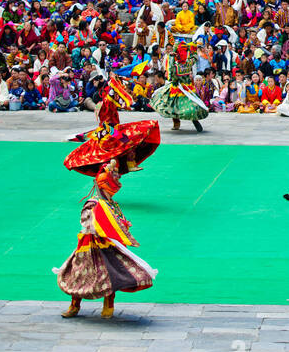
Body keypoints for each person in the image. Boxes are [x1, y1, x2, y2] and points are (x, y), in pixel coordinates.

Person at [54, 160, 157, 319]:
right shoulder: (94, 203)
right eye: (111, 189)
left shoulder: (112, 205)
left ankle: (108, 308)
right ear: (104, 186)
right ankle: (74, 306)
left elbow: (119, 222)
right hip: (89, 247)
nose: (112, 192)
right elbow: (87, 223)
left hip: (109, 247)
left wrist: (122, 226)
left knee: (112, 275)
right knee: (79, 276)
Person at [64, 73, 160, 177]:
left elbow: (115, 98)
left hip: (106, 131)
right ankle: (120, 167)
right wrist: (113, 82)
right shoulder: (106, 102)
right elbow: (112, 95)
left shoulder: (101, 104)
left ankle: (121, 167)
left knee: (121, 147)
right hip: (111, 131)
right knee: (126, 143)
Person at [151, 32, 209, 133]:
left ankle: (176, 124)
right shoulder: (188, 63)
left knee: (173, 106)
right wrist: (193, 49)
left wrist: (172, 58)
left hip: (177, 89)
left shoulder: (176, 66)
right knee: (191, 104)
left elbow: (172, 76)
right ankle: (194, 120)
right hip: (188, 88)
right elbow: (195, 57)